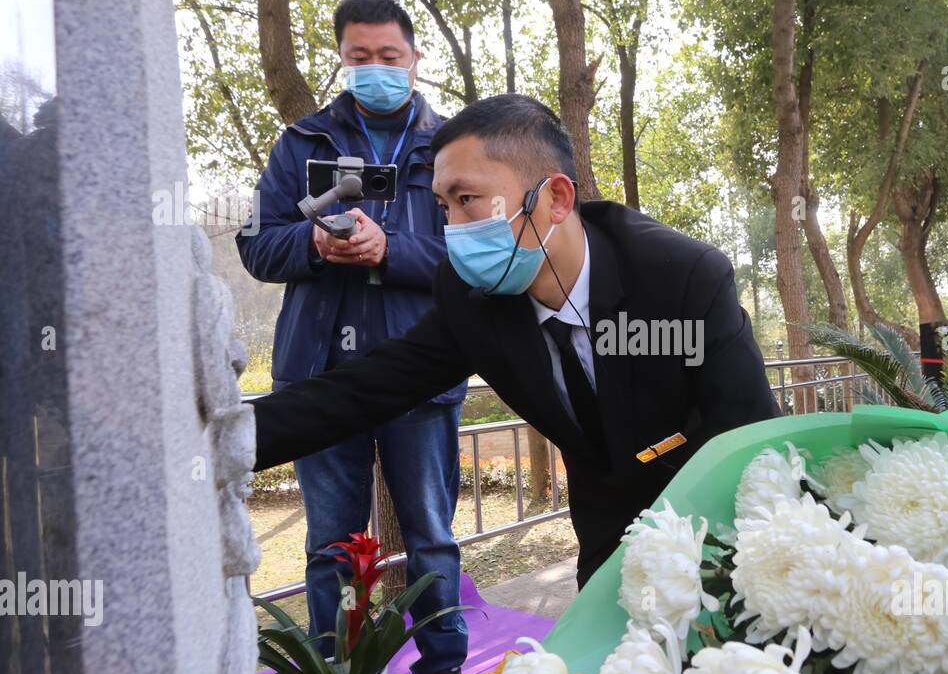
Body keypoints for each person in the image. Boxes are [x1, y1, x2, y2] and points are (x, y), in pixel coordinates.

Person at [249, 93, 780, 588]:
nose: (453, 228)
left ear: (556, 197)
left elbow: (751, 439)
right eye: (443, 207)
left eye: (468, 200)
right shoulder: (472, 298)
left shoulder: (679, 277)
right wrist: (223, 438)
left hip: (725, 528)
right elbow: (365, 389)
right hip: (606, 539)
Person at [236, 0, 467, 674]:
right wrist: (312, 240)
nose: (375, 69)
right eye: (360, 57)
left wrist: (390, 248)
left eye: (389, 57)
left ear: (414, 61)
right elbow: (256, 245)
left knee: (432, 536)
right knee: (330, 544)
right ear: (342, 59)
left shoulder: (454, 146)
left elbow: (474, 252)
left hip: (418, 371)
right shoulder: (302, 142)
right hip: (319, 377)